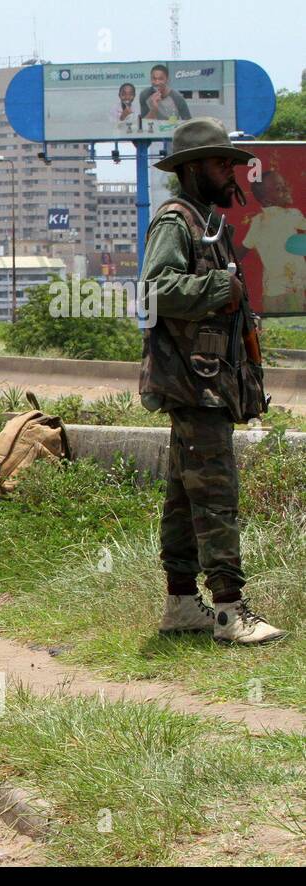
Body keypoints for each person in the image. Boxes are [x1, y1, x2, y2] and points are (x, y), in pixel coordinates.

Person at [141, 117, 284, 646]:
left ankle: (182, 605)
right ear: (194, 168)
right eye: (224, 164)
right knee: (217, 494)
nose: (233, 173)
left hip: (208, 386)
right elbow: (155, 289)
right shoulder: (175, 222)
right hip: (192, 386)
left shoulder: (209, 224)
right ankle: (229, 611)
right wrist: (219, 285)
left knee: (184, 496)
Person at [239, 169, 306, 315]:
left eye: (284, 185)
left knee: (276, 327)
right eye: (279, 188)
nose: (286, 189)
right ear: (266, 200)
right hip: (293, 288)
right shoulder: (292, 215)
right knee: (296, 325)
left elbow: (241, 251)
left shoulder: (256, 222)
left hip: (271, 291)